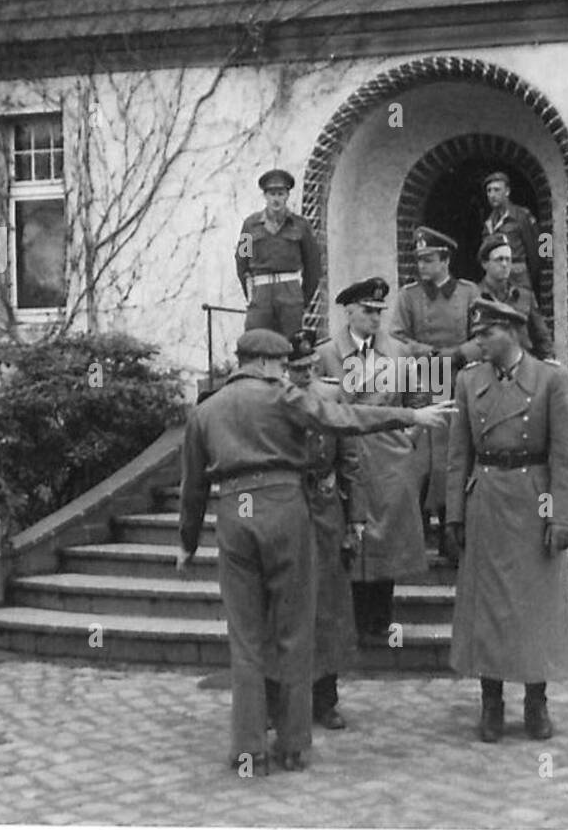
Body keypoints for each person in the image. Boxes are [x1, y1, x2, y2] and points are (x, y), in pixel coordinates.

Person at [178, 328, 451, 775]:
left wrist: (187, 545)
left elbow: (192, 488)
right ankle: (293, 744)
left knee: (246, 638)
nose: (286, 373)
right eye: (282, 365)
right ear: (265, 364)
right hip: (285, 509)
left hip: (233, 514)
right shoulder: (283, 398)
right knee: (294, 630)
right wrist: (409, 417)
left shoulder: (205, 411)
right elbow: (343, 418)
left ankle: (248, 748)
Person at [446, 298, 568, 742]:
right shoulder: (469, 382)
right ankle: (490, 702)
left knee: (535, 605)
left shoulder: (550, 380)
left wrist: (562, 515)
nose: (478, 343)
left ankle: (536, 701)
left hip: (533, 498)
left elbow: (567, 454)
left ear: (511, 331)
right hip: (486, 498)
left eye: (486, 334)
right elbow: (457, 454)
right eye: (477, 334)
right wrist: (453, 515)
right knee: (487, 607)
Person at [317, 277, 427, 646]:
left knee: (388, 539)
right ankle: (351, 620)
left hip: (389, 457)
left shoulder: (400, 352)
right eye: (367, 311)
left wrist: (407, 441)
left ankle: (381, 620)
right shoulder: (327, 354)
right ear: (348, 312)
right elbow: (316, 406)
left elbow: (418, 402)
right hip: (348, 455)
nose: (375, 317)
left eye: (380, 311)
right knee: (350, 534)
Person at [264, 329, 364, 731]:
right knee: (280, 604)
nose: (303, 375)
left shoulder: (333, 399)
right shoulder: (270, 405)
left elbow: (351, 463)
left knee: (328, 607)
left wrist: (355, 519)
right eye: (295, 368)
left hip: (324, 512)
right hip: (285, 508)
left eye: (308, 368)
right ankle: (277, 702)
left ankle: (325, 699)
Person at [390, 226, 482, 556]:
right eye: (419, 260)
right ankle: (419, 529)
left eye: (428, 260)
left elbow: (484, 335)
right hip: (425, 376)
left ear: (445, 261)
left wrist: (458, 354)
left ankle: (452, 529)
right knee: (425, 456)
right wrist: (426, 352)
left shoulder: (470, 293)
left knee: (453, 455)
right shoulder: (409, 296)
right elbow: (397, 336)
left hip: (462, 376)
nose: (422, 267)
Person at [235, 169, 321, 337]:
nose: (276, 199)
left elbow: (313, 265)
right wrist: (252, 295)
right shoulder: (250, 225)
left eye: (280, 193)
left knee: (291, 345)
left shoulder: (300, 226)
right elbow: (241, 261)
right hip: (261, 294)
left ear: (287, 196)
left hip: (290, 293)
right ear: (265, 196)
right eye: (272, 194)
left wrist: (302, 299)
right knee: (255, 342)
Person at [478, 233, 555, 360]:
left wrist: (548, 365)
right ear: (485, 264)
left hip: (523, 369)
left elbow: (542, 338)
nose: (504, 264)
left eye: (508, 259)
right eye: (499, 259)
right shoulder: (474, 295)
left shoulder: (524, 296)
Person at [481, 170, 542, 296]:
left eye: (497, 190)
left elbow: (537, 247)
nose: (492, 195)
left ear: (507, 192)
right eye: (489, 191)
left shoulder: (522, 216)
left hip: (518, 277)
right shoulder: (488, 223)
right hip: (495, 280)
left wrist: (534, 275)